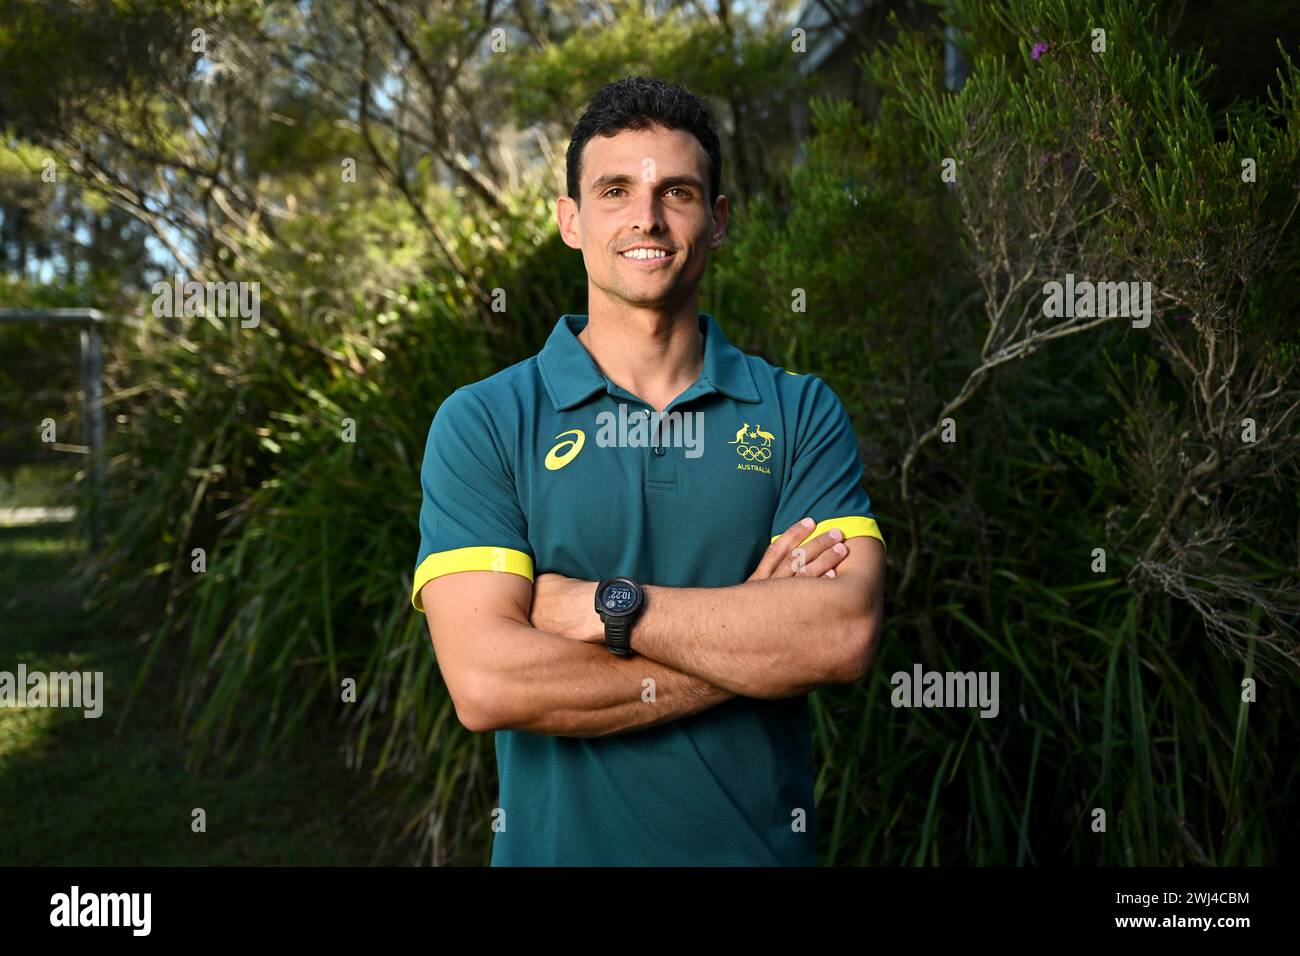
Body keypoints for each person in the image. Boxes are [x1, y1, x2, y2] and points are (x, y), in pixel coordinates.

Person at [412, 75, 886, 866]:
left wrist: (606, 605)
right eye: (614, 190)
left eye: (677, 191)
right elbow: (489, 684)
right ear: (570, 220)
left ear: (720, 218)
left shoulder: (799, 411)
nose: (647, 218)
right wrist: (755, 642)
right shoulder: (485, 421)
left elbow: (840, 634)